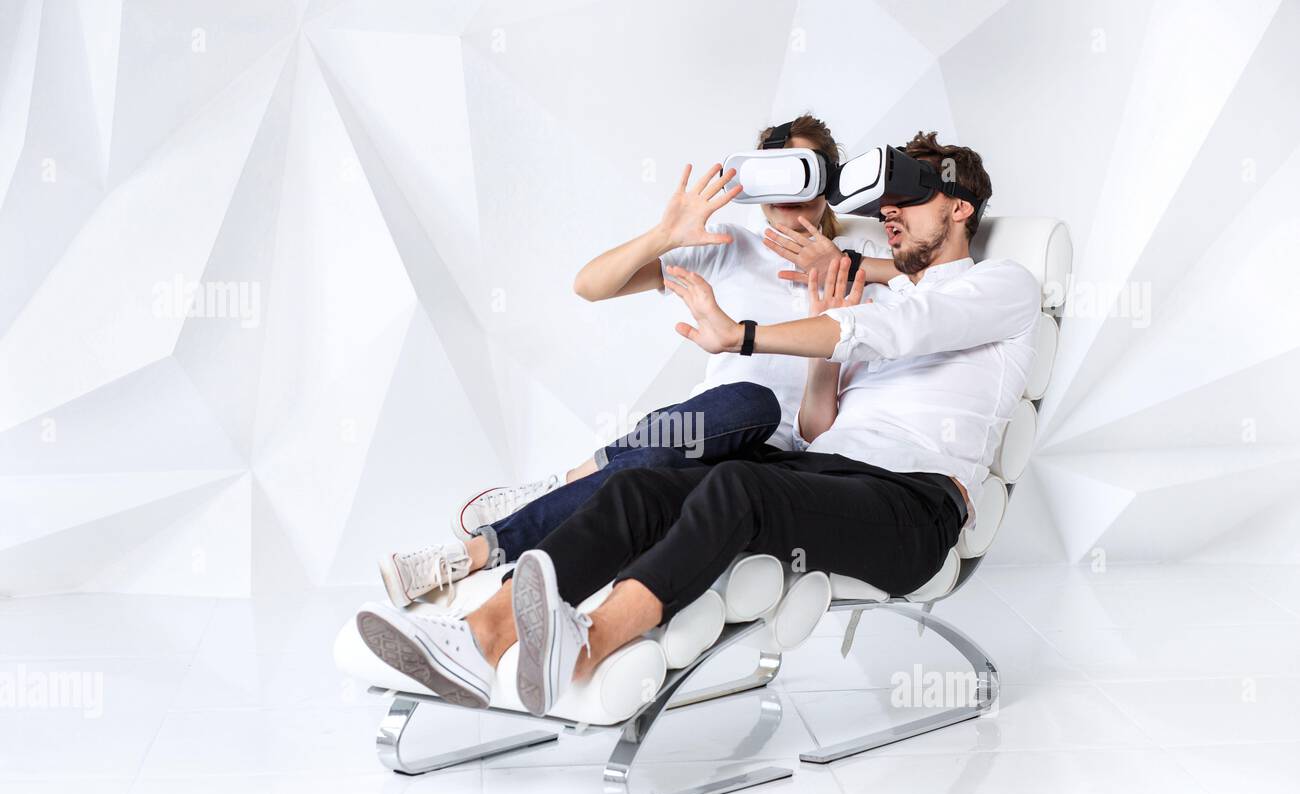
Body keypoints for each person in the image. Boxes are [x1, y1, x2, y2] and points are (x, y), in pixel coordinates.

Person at [356, 131, 1041, 717]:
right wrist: (830, 331)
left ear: (960, 206)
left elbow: (894, 329)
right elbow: (819, 421)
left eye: (909, 200)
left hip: (915, 508)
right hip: (829, 475)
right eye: (884, 205)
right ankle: (476, 641)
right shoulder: (874, 291)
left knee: (738, 486)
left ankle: (588, 643)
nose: (889, 213)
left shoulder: (1002, 287)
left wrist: (743, 334)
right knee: (642, 489)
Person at [377, 115, 899, 608]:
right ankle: (464, 558)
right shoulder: (728, 246)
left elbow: (818, 422)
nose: (786, 198)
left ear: (827, 185)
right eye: (771, 179)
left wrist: (842, 280)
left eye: (800, 179)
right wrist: (664, 235)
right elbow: (590, 285)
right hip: (695, 432)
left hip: (768, 460)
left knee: (754, 405)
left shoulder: (860, 277)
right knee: (663, 457)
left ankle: (569, 480)